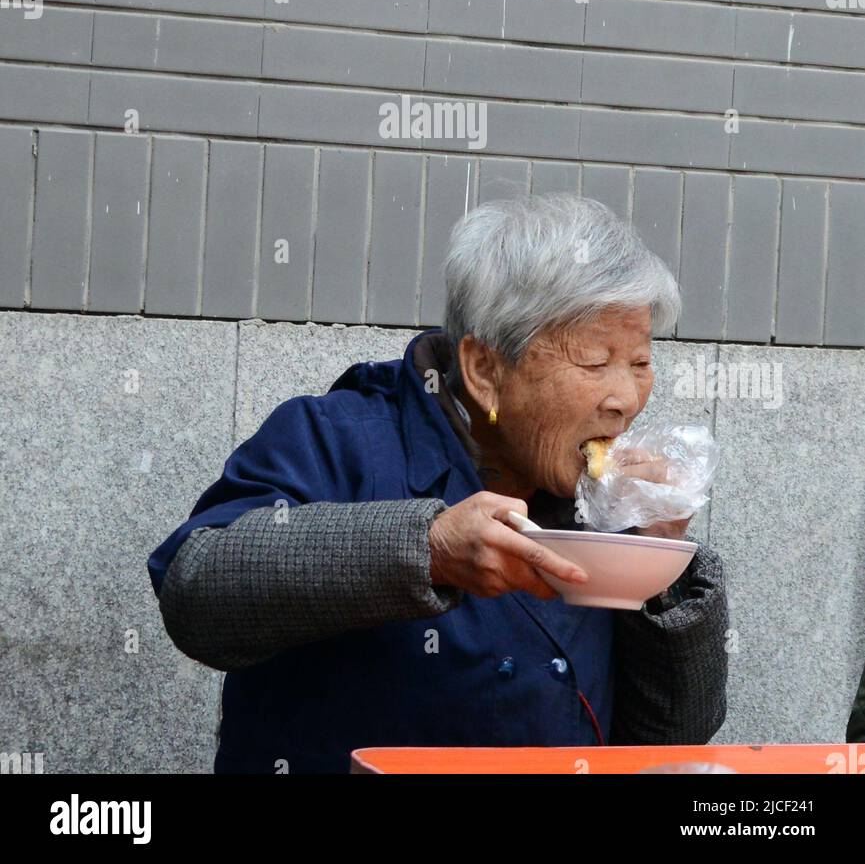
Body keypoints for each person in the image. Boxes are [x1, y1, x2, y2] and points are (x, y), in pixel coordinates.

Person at [148, 192, 728, 773]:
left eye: (640, 363)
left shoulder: (597, 502)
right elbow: (194, 591)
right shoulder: (338, 438)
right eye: (596, 363)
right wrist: (427, 550)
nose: (625, 400)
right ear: (485, 371)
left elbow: (669, 740)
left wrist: (661, 567)